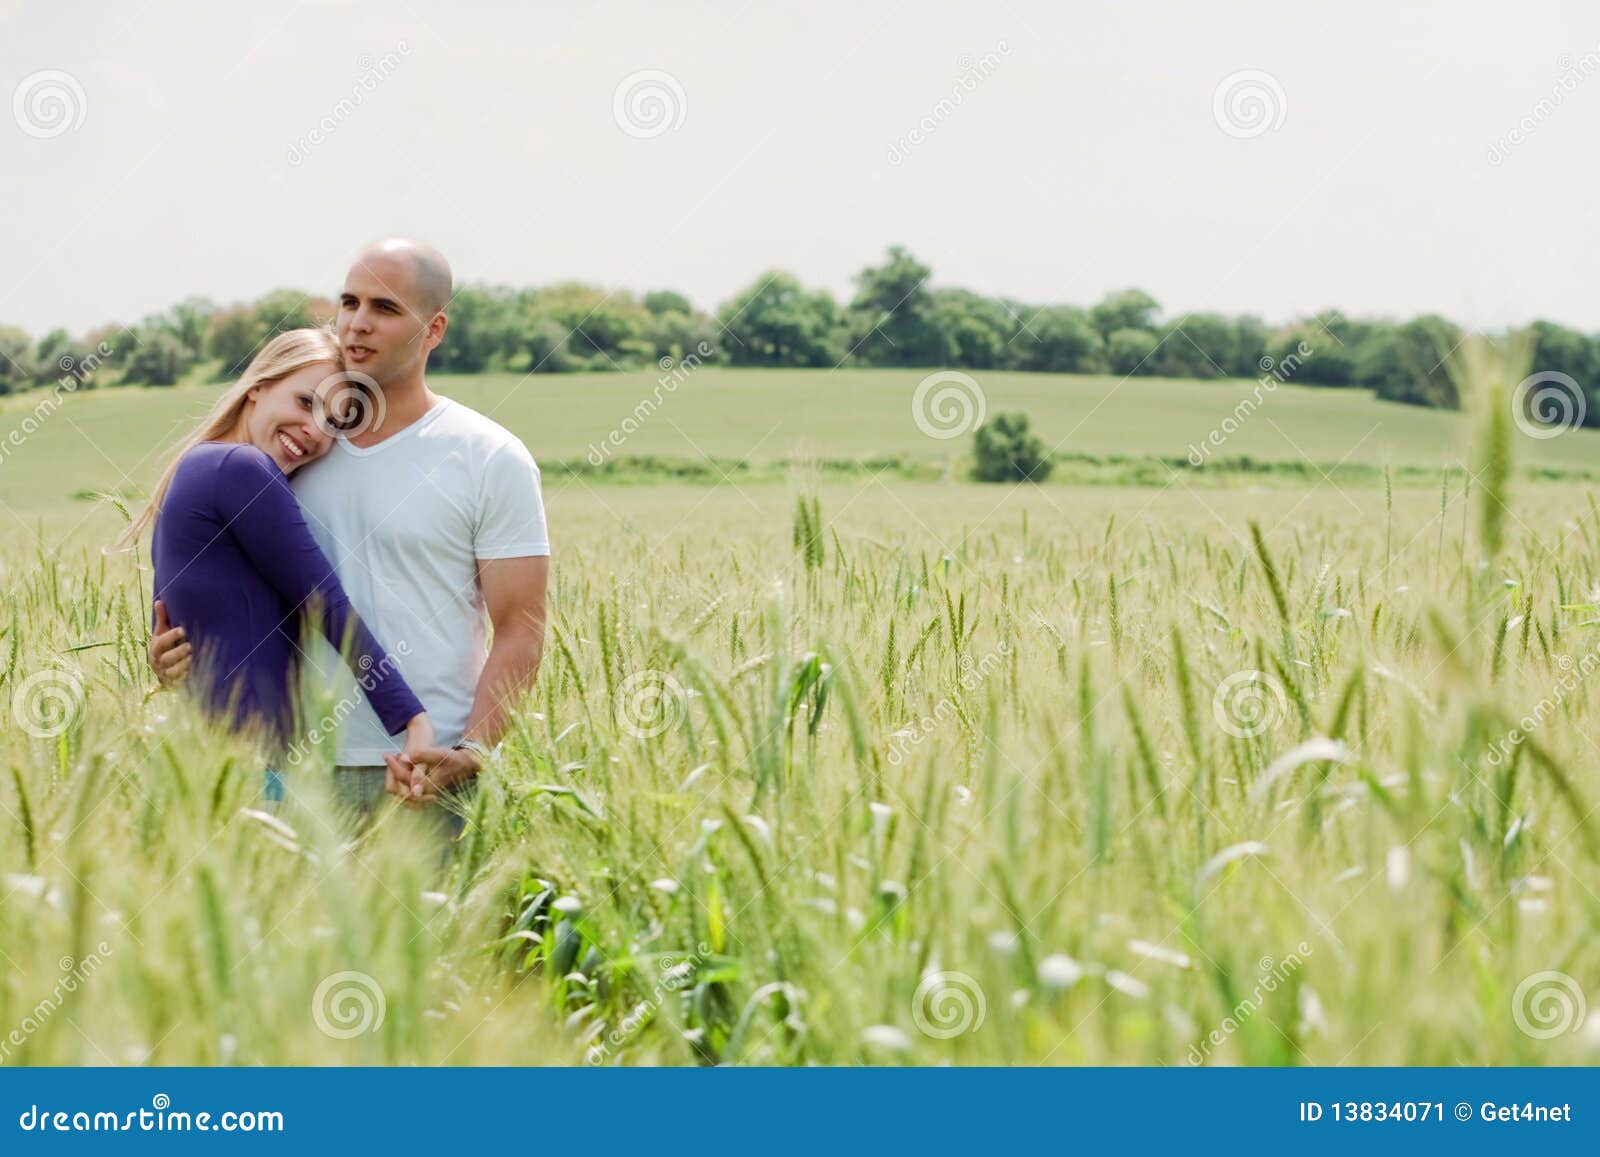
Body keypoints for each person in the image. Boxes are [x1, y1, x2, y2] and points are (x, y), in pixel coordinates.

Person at [149, 239, 550, 840]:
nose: (359, 322)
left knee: (438, 936)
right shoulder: (289, 457)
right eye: (349, 302)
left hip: (422, 771)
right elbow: (217, 581)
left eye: (385, 308)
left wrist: (473, 750)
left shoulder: (489, 457)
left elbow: (522, 623)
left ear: (433, 329)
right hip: (294, 773)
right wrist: (177, 657)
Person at [122, 328, 435, 802]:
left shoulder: (198, 468)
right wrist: (411, 717)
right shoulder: (242, 468)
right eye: (306, 402)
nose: (316, 430)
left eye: (334, 423)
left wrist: (164, 661)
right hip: (254, 771)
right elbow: (327, 604)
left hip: (212, 762)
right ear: (258, 387)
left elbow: (169, 616)